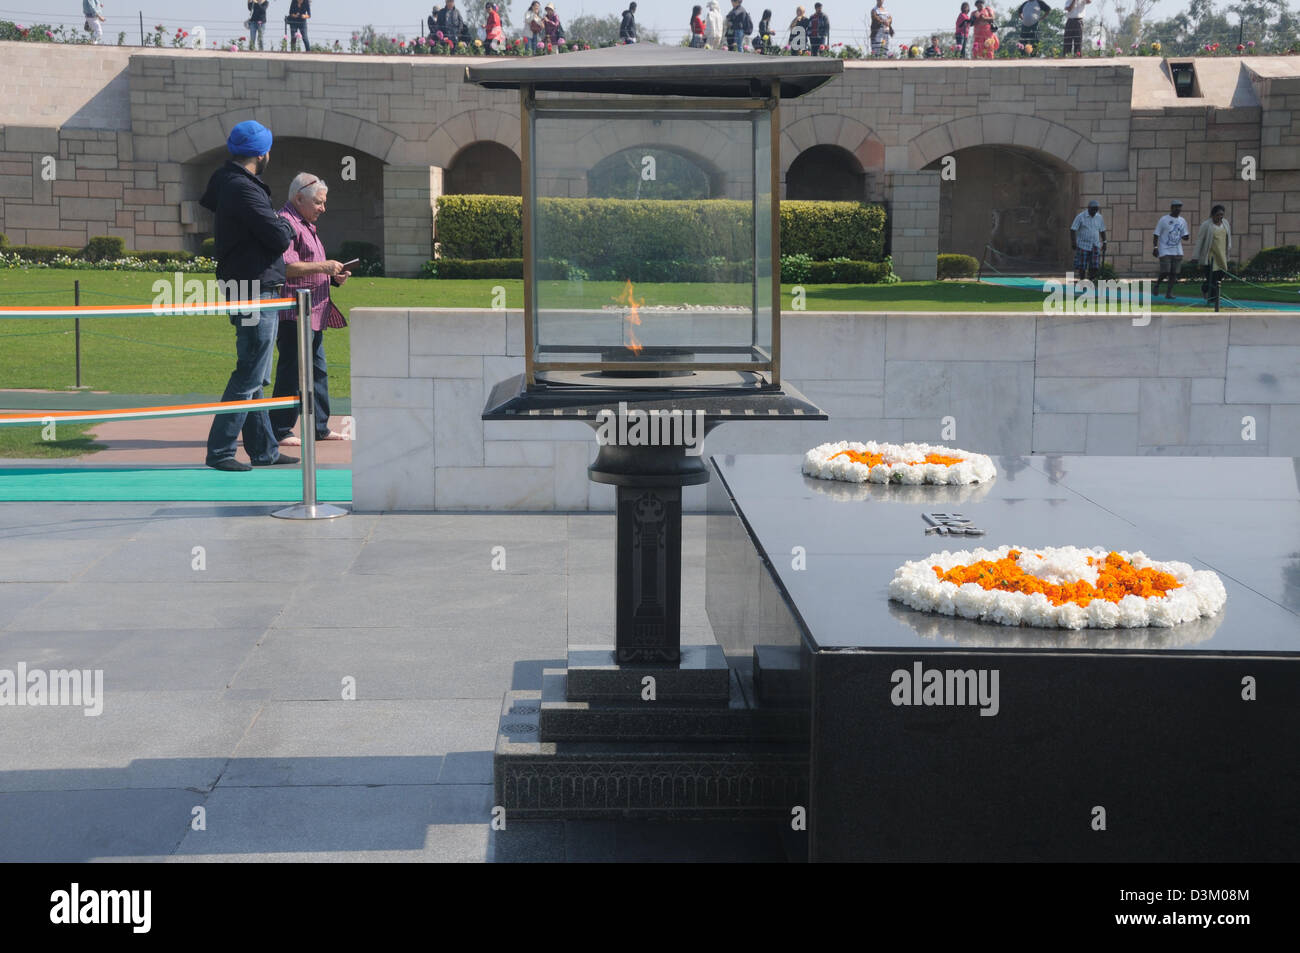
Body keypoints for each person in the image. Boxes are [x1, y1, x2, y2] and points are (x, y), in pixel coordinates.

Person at [201, 121, 297, 472]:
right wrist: (285, 223)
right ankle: (221, 450)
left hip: (246, 284)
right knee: (250, 374)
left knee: (256, 374)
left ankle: (263, 450)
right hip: (254, 288)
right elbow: (278, 237)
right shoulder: (243, 188)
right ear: (261, 153)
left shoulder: (229, 184)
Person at [270, 173, 349, 447]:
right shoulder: (286, 223)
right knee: (291, 371)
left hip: (313, 312)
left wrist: (331, 277)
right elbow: (285, 268)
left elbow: (309, 267)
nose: (323, 208)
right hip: (294, 314)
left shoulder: (304, 222)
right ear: (299, 198)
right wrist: (324, 267)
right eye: (318, 202)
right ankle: (280, 429)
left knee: (318, 372)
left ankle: (319, 427)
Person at [1193, 205, 1232, 305]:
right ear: (1213, 214)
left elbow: (1228, 239)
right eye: (1218, 214)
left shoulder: (1225, 223)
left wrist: (1228, 252)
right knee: (1212, 277)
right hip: (1210, 255)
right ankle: (1213, 298)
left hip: (1222, 255)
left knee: (1220, 277)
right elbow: (1200, 240)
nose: (1220, 217)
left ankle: (1205, 289)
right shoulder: (1206, 225)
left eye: (1222, 215)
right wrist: (1196, 257)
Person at [1152, 199, 1190, 300]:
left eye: (1180, 207)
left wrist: (1185, 236)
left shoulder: (1182, 221)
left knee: (1174, 273)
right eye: (1176, 207)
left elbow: (1185, 235)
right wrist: (1155, 247)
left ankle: (1169, 293)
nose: (1178, 209)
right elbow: (1156, 234)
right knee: (1165, 271)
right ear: (1172, 208)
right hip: (1165, 250)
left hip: (1177, 250)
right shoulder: (1163, 219)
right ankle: (1157, 284)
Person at [1070, 199, 1107, 284]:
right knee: (1082, 265)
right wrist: (1073, 242)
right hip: (1083, 245)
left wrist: (1105, 242)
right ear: (1088, 208)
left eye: (1096, 209)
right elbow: (1073, 229)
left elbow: (1102, 230)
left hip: (1095, 244)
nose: (1094, 211)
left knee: (1095, 265)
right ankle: (1082, 280)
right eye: (1093, 209)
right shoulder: (1080, 216)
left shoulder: (1099, 217)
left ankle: (1091, 280)